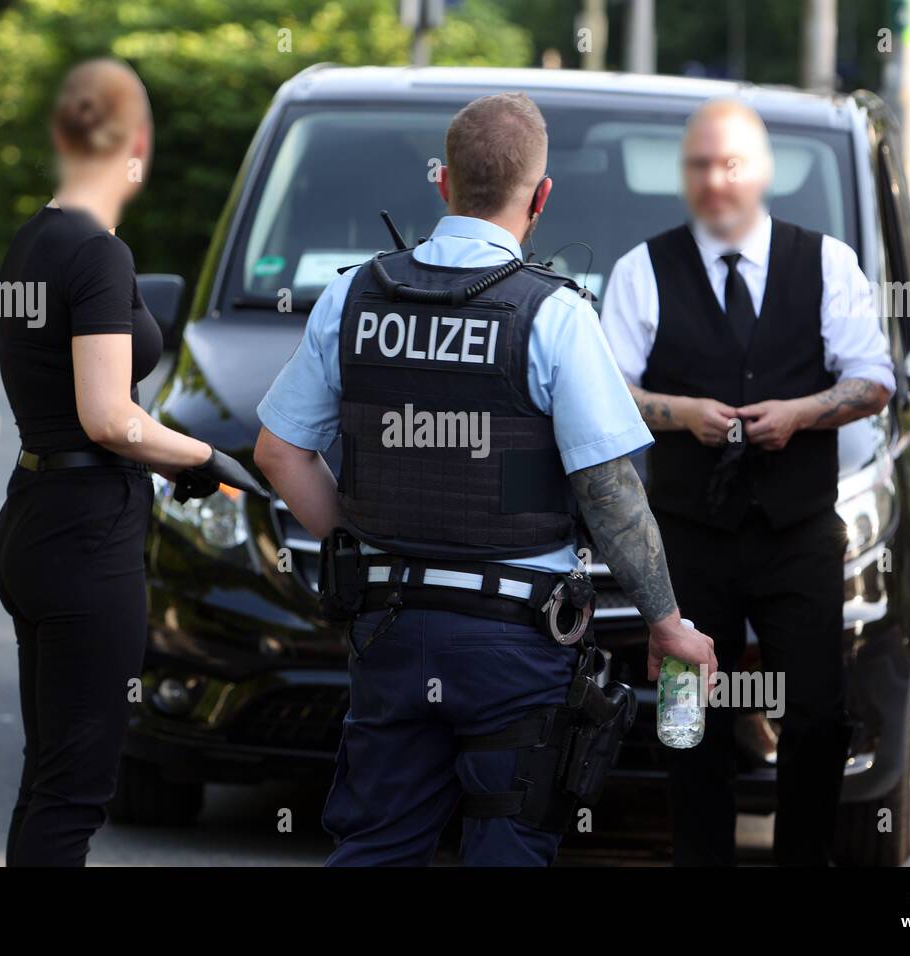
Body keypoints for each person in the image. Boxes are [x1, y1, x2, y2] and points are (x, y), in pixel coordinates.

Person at [254, 92, 716, 867]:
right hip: (513, 642)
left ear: (443, 182)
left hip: (391, 626)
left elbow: (278, 452)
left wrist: (364, 547)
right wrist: (666, 622)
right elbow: (609, 492)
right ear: (542, 197)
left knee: (377, 845)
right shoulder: (556, 315)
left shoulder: (353, 296)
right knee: (507, 842)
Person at [599, 98, 896, 866]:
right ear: (684, 175)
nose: (715, 180)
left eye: (731, 163)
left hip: (799, 532)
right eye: (700, 165)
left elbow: (874, 380)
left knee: (817, 717)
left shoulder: (827, 263)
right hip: (686, 537)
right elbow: (603, 392)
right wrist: (681, 414)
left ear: (763, 171)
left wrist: (799, 414)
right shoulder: (642, 270)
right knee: (687, 717)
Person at [0, 58, 239, 866]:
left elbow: (77, 411)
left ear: (61, 134)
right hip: (84, 536)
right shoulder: (96, 253)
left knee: (48, 778)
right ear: (138, 142)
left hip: (34, 515)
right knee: (75, 792)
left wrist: (166, 458)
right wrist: (207, 456)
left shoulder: (33, 238)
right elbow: (108, 418)